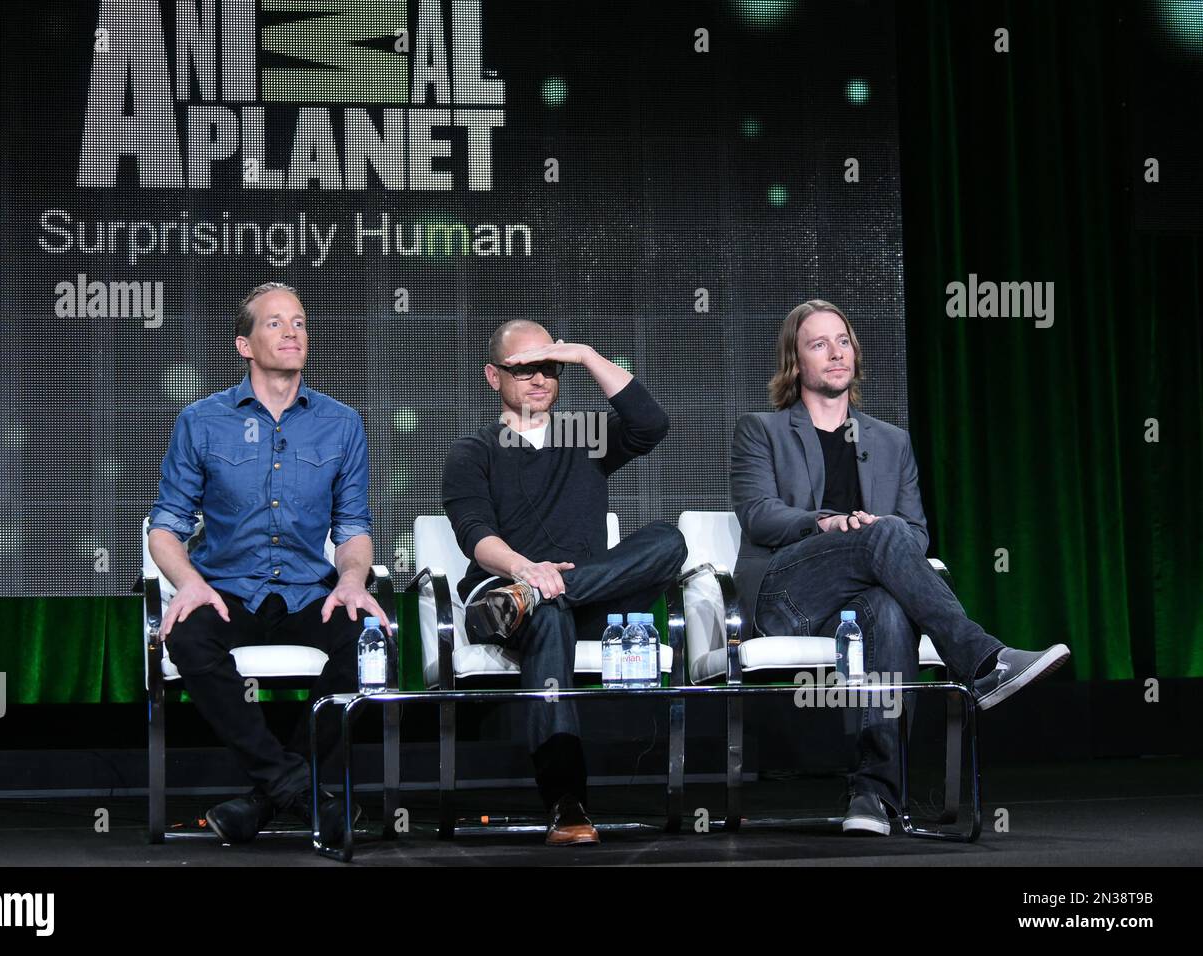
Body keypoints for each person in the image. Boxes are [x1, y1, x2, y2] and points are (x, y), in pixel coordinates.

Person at [730, 299, 1070, 835]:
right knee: (881, 533)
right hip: (790, 595)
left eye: (843, 340)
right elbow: (759, 515)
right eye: (819, 344)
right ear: (795, 361)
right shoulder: (761, 430)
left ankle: (872, 795)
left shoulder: (892, 441)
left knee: (889, 608)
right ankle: (983, 662)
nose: (835, 352)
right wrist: (830, 523)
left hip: (862, 597)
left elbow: (916, 533)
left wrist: (873, 532)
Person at [147, 281, 388, 845]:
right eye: (275, 323)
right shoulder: (201, 421)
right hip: (228, 588)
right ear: (244, 345)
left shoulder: (342, 423)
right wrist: (187, 584)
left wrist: (352, 578)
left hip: (308, 588)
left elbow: (352, 529)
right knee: (186, 637)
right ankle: (298, 790)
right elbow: (166, 527)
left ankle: (265, 797)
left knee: (372, 638)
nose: (292, 332)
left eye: (300, 322)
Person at [441, 320, 687, 845]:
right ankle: (566, 800)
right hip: (505, 595)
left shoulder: (584, 435)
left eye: (550, 368)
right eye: (524, 367)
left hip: (583, 597)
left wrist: (588, 356)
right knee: (549, 614)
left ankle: (543, 594)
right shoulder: (473, 449)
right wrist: (524, 572)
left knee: (669, 540)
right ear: (493, 376)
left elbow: (651, 424)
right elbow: (474, 534)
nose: (539, 379)